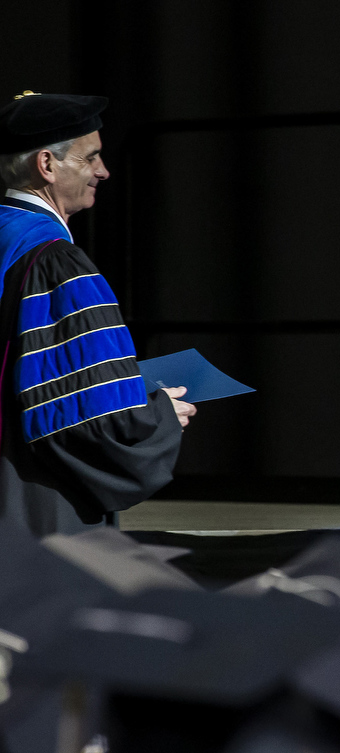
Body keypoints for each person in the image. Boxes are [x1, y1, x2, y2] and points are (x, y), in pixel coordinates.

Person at [0, 90, 195, 536]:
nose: (103, 172)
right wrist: (161, 415)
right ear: (47, 165)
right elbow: (86, 420)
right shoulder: (53, 261)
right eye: (90, 159)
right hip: (32, 496)